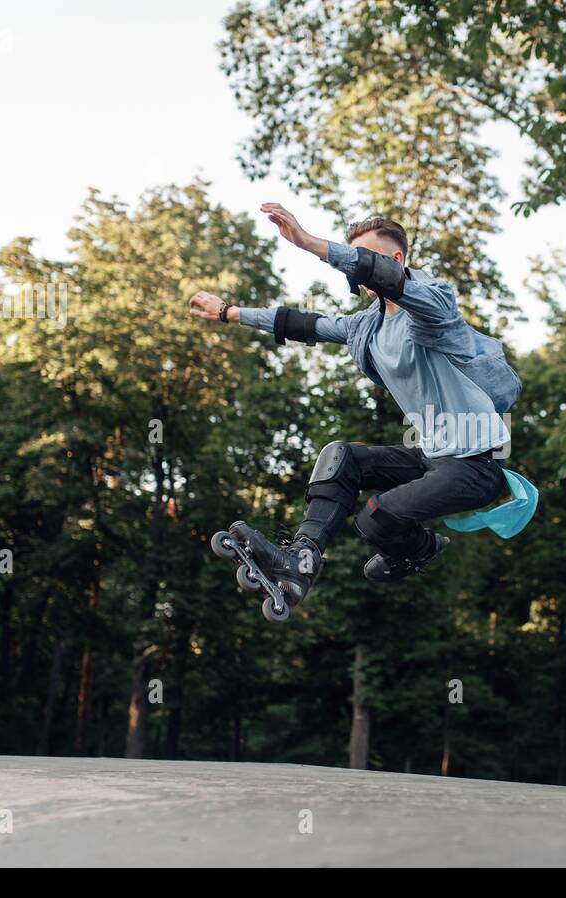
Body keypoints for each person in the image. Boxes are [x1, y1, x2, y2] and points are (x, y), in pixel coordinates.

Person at [189, 204, 533, 609]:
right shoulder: (366, 325)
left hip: (477, 466)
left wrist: (310, 243)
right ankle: (300, 561)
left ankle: (420, 548)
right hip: (432, 456)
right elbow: (303, 324)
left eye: (364, 261)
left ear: (396, 259)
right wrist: (229, 312)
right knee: (340, 458)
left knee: (374, 517)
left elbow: (381, 275)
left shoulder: (433, 306)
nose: (358, 273)